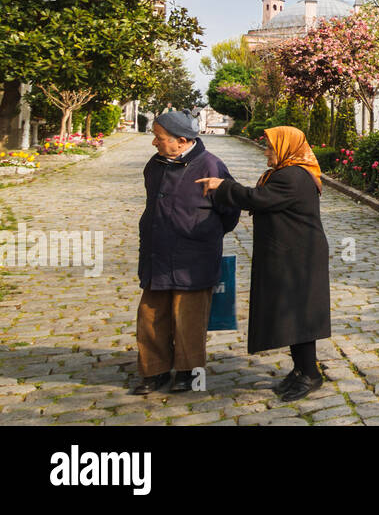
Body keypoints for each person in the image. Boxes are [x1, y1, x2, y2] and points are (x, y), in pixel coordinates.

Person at [196, 126, 331, 402]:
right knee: (291, 313)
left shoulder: (292, 176)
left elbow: (258, 199)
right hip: (290, 253)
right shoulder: (286, 172)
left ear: (286, 147)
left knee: (299, 315)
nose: (267, 151)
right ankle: (301, 369)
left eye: (270, 146)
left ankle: (310, 374)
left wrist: (223, 187)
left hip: (298, 258)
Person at [134, 110, 238, 395]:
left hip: (193, 258)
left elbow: (229, 212)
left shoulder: (210, 166)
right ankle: (153, 371)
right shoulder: (154, 165)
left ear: (181, 141)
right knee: (151, 314)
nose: (154, 143)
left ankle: (187, 371)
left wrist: (202, 234)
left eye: (160, 137)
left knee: (188, 318)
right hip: (157, 253)